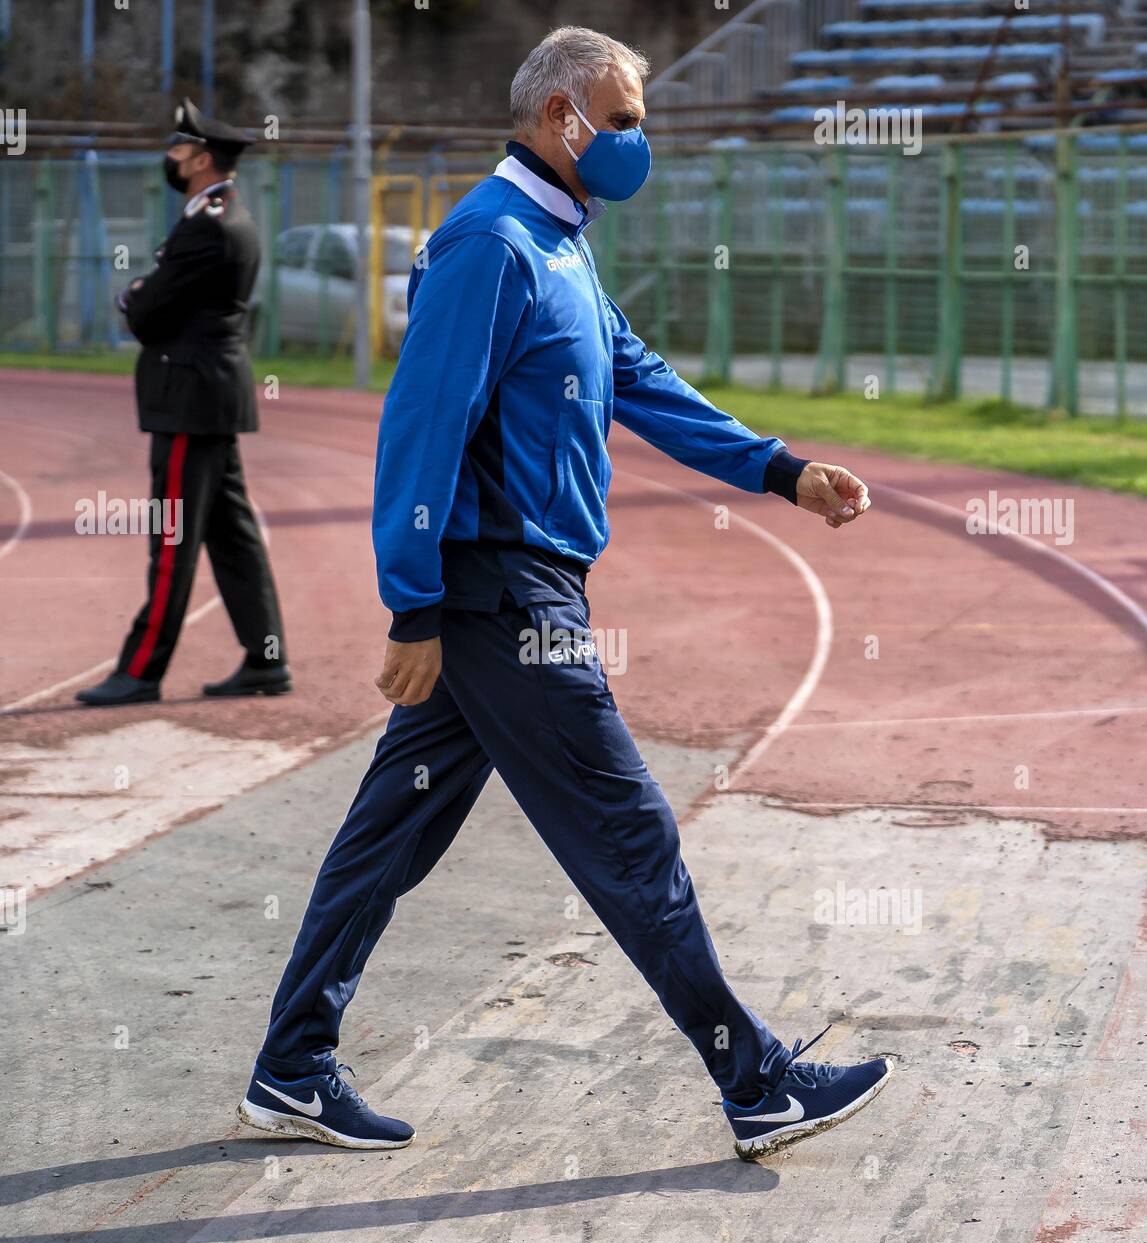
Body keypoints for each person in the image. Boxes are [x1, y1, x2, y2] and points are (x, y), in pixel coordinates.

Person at [240, 28, 891, 1162]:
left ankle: (290, 1066)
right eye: (624, 117)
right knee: (628, 830)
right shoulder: (490, 244)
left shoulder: (558, 241)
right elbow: (420, 427)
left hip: (509, 594)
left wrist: (780, 469)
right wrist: (414, 606)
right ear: (558, 116)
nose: (639, 138)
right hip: (504, 600)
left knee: (387, 835)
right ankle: (758, 1080)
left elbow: (635, 377)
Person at [77, 98, 289, 707]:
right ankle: (266, 657)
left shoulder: (209, 226)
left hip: (191, 397)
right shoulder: (220, 215)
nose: (168, 157)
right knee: (232, 535)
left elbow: (147, 309)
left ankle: (141, 670)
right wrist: (145, 292)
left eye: (177, 148)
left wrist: (135, 295)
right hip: (208, 395)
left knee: (171, 538)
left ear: (200, 160)